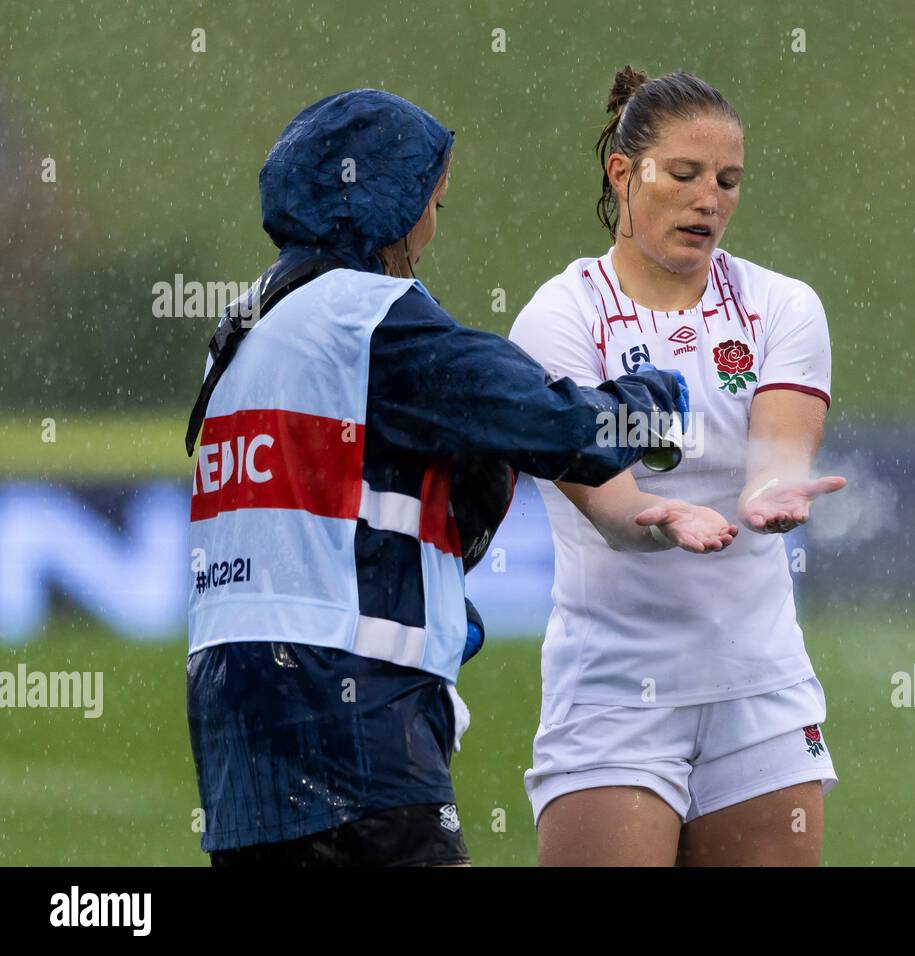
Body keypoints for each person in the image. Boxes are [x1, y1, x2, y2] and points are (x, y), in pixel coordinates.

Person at [184, 88, 697, 866]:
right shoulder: (367, 315)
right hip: (348, 705)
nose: (430, 230)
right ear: (385, 205)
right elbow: (557, 425)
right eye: (430, 204)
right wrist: (656, 401)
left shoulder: (247, 328)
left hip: (232, 716)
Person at [509, 67, 848, 867]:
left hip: (758, 689)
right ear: (622, 173)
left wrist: (770, 494)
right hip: (614, 692)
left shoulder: (782, 306)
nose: (711, 200)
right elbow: (607, 500)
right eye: (686, 175)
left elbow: (779, 449)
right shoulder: (559, 317)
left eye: (728, 181)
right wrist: (650, 518)